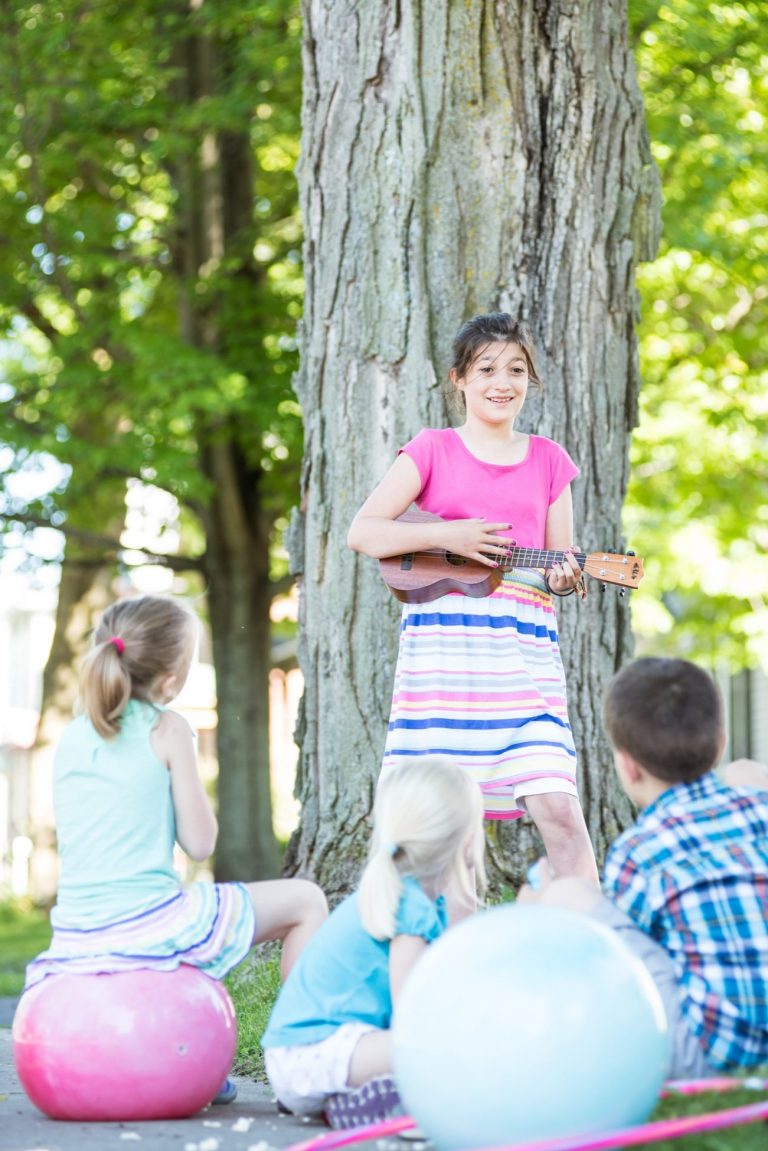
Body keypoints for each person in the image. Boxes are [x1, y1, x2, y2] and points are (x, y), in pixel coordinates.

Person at [25, 594, 328, 1104]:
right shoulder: (170, 729)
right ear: (170, 681)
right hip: (151, 921)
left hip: (78, 931)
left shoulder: (73, 736)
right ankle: (302, 1062)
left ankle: (188, 1054)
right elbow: (201, 841)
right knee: (306, 902)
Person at [347, 312, 598, 884]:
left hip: (523, 662)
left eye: (515, 369)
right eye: (486, 368)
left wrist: (565, 577)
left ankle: (593, 943)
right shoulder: (432, 450)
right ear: (459, 378)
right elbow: (364, 532)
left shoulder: (549, 460)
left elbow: (559, 564)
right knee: (440, 833)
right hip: (445, 661)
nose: (501, 382)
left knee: (558, 807)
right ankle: (434, 952)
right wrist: (446, 535)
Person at [519, 656, 768, 1077]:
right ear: (721, 742)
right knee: (748, 774)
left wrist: (543, 903)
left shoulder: (639, 850)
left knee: (563, 894)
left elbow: (618, 964)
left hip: (705, 1055)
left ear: (628, 767)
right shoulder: (757, 807)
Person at [261, 758, 487, 1128]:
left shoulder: (411, 897)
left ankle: (362, 1095)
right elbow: (412, 1016)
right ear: (465, 840)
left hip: (307, 1058)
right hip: (306, 1060)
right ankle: (373, 1105)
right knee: (440, 1044)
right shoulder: (409, 907)